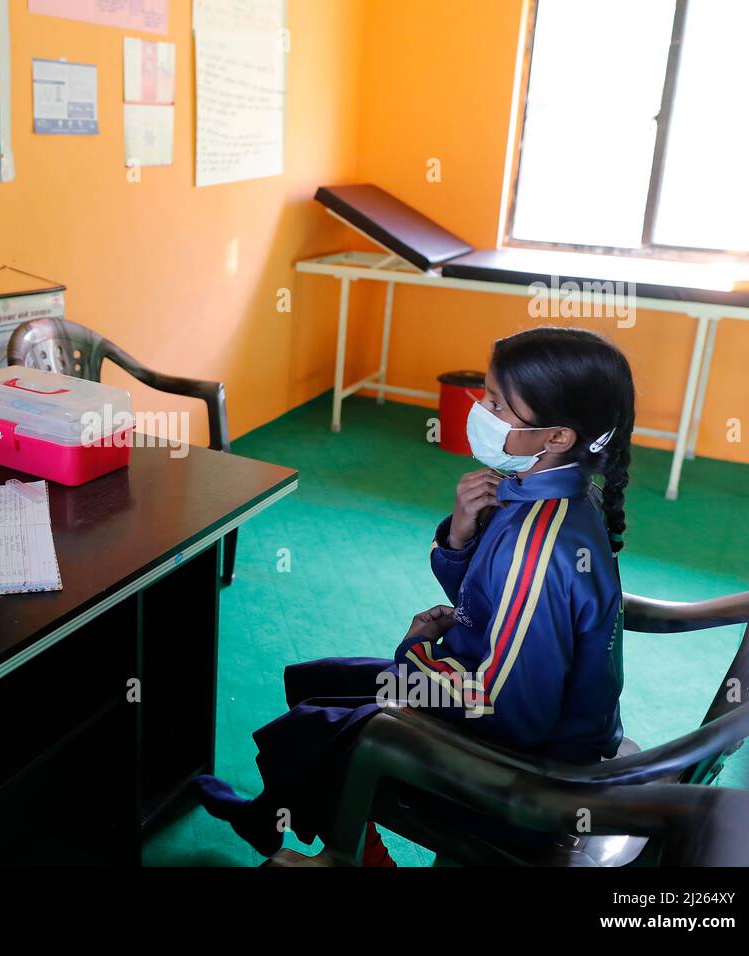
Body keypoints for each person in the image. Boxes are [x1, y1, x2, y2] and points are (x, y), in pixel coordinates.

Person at [195, 326, 636, 863]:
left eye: (498, 404)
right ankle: (274, 815)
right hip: (521, 708)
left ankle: (352, 853)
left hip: (527, 764)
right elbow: (498, 604)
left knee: (327, 728)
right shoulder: (550, 493)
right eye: (486, 394)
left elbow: (502, 706)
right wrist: (461, 535)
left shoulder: (539, 542)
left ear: (556, 436)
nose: (482, 410)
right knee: (324, 683)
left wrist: (417, 652)